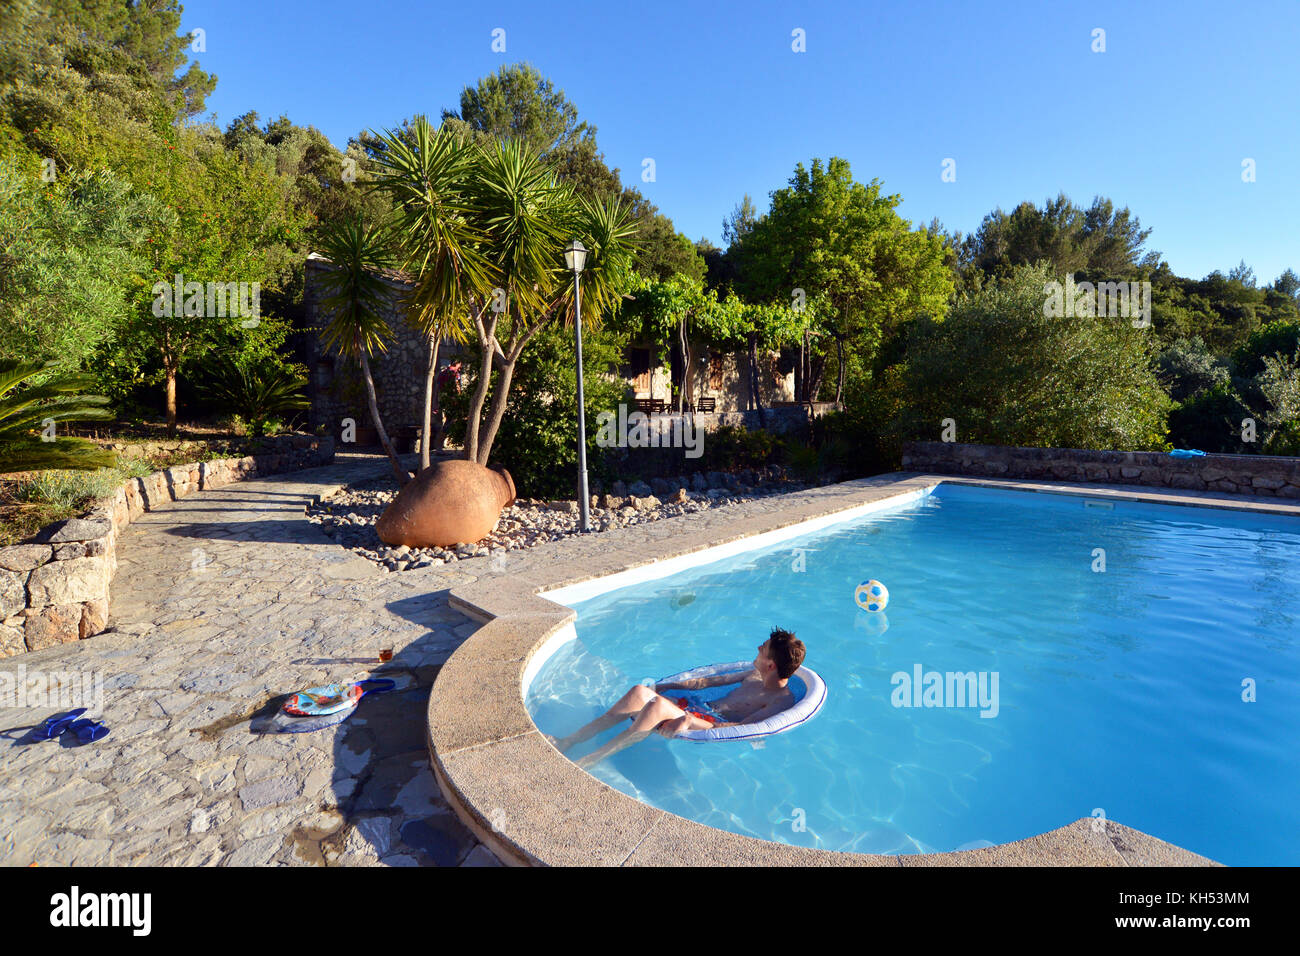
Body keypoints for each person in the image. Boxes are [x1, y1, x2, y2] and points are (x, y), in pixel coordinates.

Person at [549, 627, 807, 769]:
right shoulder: (752, 675)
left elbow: (745, 728)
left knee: (658, 706)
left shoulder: (781, 701)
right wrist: (666, 685)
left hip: (711, 722)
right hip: (700, 709)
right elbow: (707, 682)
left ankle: (590, 761)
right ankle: (568, 741)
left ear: (771, 665)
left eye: (763, 649)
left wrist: (688, 722)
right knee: (641, 692)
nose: (758, 649)